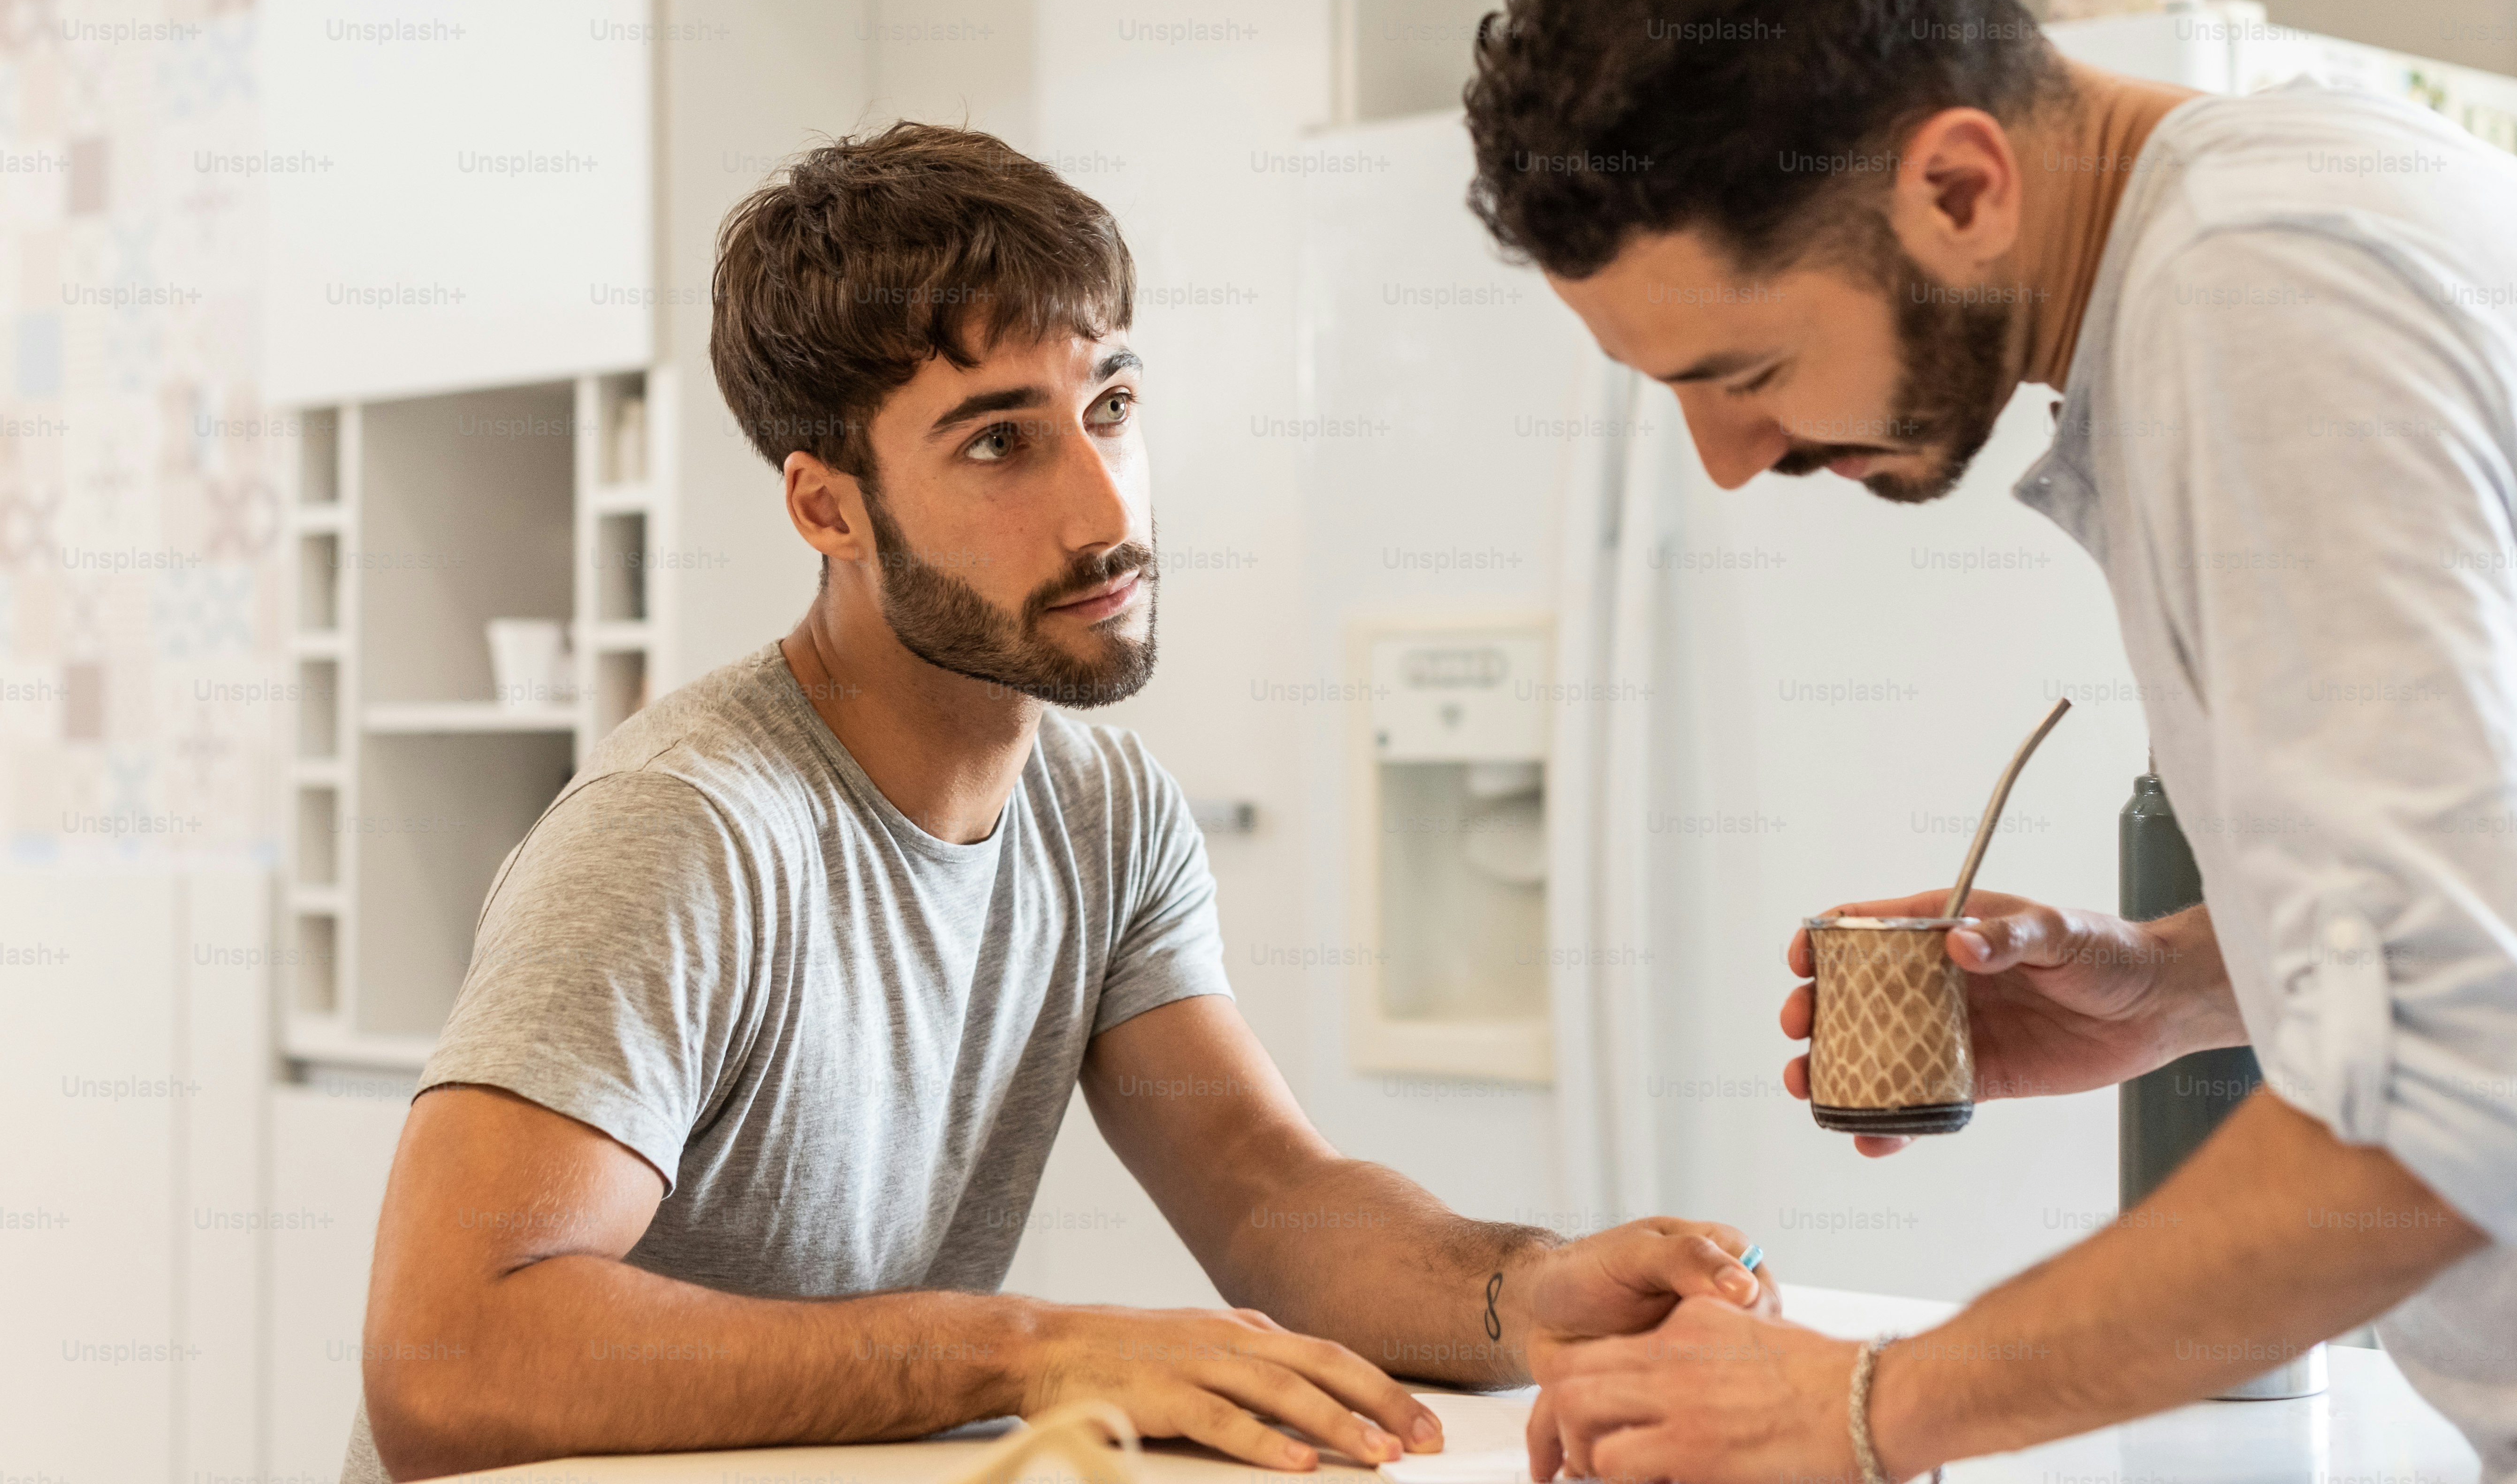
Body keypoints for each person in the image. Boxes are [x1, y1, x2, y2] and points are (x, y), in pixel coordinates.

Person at [1463, 0, 2517, 1484]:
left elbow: (2464, 1121)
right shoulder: (2289, 221)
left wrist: (1861, 1405)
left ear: (1958, 184)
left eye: (1743, 371)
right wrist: (2172, 989)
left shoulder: (2264, 313)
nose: (1731, 460)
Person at [341, 125, 1769, 1484]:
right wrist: (1027, 1351)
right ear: (829, 510)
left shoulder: (1102, 810)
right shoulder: (691, 829)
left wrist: (1527, 1291)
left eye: (1113, 409)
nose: (1106, 513)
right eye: (996, 443)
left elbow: (1270, 1197)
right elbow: (446, 1362)